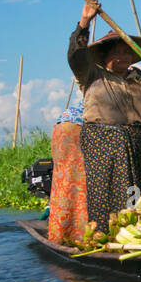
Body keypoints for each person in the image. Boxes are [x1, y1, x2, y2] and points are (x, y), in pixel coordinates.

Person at [67, 0, 141, 232]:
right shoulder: (92, 74)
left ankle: (130, 231)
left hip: (135, 141)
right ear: (105, 57)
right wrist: (85, 22)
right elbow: (76, 56)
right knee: (103, 189)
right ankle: (101, 233)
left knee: (134, 189)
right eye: (117, 53)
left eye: (126, 53)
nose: (123, 57)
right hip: (102, 139)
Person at [47, 98, 88, 244]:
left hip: (62, 126)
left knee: (63, 182)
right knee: (83, 183)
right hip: (79, 127)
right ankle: (79, 236)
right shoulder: (126, 89)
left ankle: (59, 234)